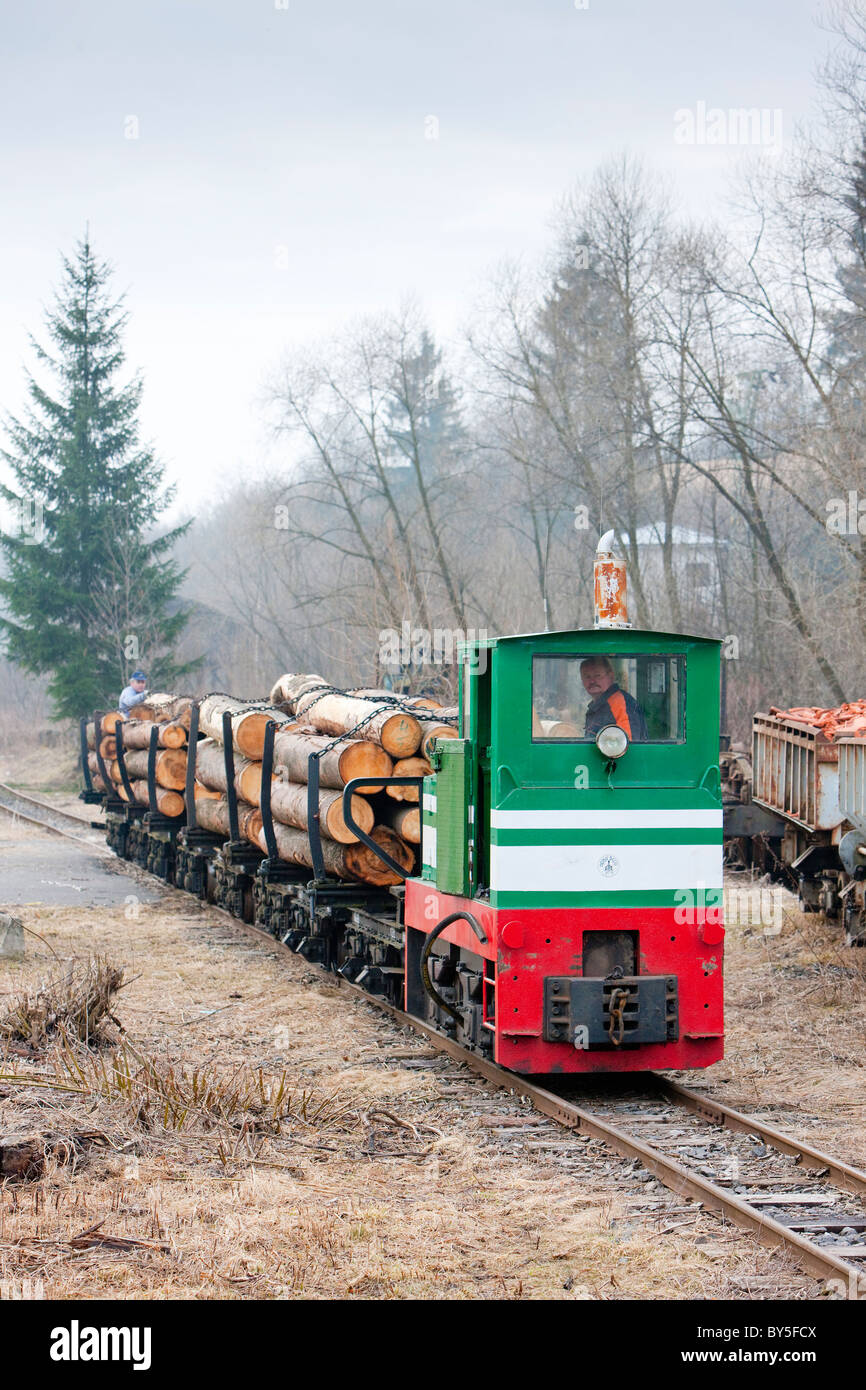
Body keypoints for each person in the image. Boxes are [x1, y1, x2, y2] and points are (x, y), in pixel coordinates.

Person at [580, 656, 648, 742]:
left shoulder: (620, 703)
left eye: (597, 675)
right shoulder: (596, 706)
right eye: (587, 677)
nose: (592, 681)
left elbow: (629, 745)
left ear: (611, 676)